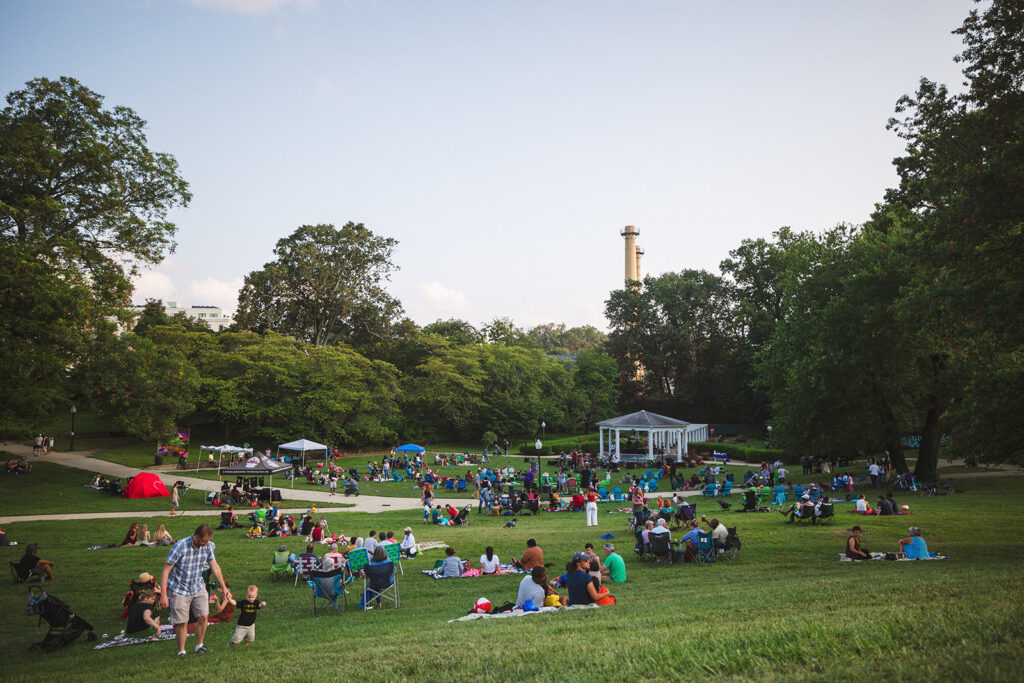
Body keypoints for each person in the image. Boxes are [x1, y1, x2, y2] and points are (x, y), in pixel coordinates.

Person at [159, 524, 228, 657]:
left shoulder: (207, 546)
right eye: (204, 541)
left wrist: (224, 587)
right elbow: (166, 570)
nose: (206, 544)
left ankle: (199, 645)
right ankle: (181, 651)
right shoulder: (180, 546)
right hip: (179, 588)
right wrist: (163, 595)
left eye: (208, 541)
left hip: (197, 586)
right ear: (196, 537)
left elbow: (215, 566)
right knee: (182, 622)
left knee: (203, 616)